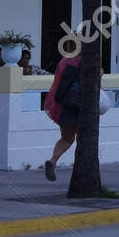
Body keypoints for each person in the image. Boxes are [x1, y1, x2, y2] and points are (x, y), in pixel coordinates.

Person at [42, 51, 82, 181]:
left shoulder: (65, 60)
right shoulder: (84, 61)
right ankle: (79, 169)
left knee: (66, 138)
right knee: (82, 139)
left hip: (63, 103)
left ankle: (53, 161)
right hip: (79, 103)